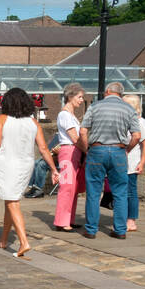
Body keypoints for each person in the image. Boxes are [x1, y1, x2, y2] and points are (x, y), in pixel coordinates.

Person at [0, 87, 58, 258]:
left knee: (13, 202)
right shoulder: (33, 122)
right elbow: (43, 148)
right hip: (26, 165)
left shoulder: (2, 119)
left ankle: (23, 242)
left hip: (7, 164)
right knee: (10, 200)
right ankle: (4, 240)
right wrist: (54, 169)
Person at [79, 82, 140, 240]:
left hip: (97, 150)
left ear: (107, 91)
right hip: (118, 151)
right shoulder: (129, 109)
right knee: (120, 192)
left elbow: (83, 131)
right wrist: (127, 150)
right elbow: (137, 136)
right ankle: (120, 230)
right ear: (120, 94)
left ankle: (91, 230)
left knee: (93, 191)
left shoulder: (94, 107)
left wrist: (87, 150)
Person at [52, 82, 88, 231]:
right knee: (67, 186)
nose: (81, 100)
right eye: (79, 97)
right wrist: (86, 150)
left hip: (74, 152)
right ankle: (62, 221)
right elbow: (74, 137)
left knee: (72, 187)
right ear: (71, 96)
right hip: (69, 151)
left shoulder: (70, 115)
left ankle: (68, 219)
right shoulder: (65, 115)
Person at [123, 94, 145, 233]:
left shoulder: (140, 122)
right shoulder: (126, 121)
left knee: (130, 192)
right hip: (122, 163)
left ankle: (131, 220)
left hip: (131, 163)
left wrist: (142, 163)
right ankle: (124, 217)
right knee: (122, 192)